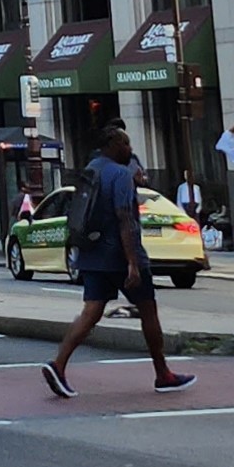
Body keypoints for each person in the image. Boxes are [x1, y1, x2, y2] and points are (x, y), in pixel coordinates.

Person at [44, 120, 195, 401]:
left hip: (91, 253)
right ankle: (163, 373)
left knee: (90, 312)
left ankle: (58, 364)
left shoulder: (91, 169)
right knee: (148, 310)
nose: (130, 147)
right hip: (120, 255)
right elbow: (125, 219)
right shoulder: (120, 175)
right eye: (125, 143)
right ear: (112, 145)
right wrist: (133, 262)